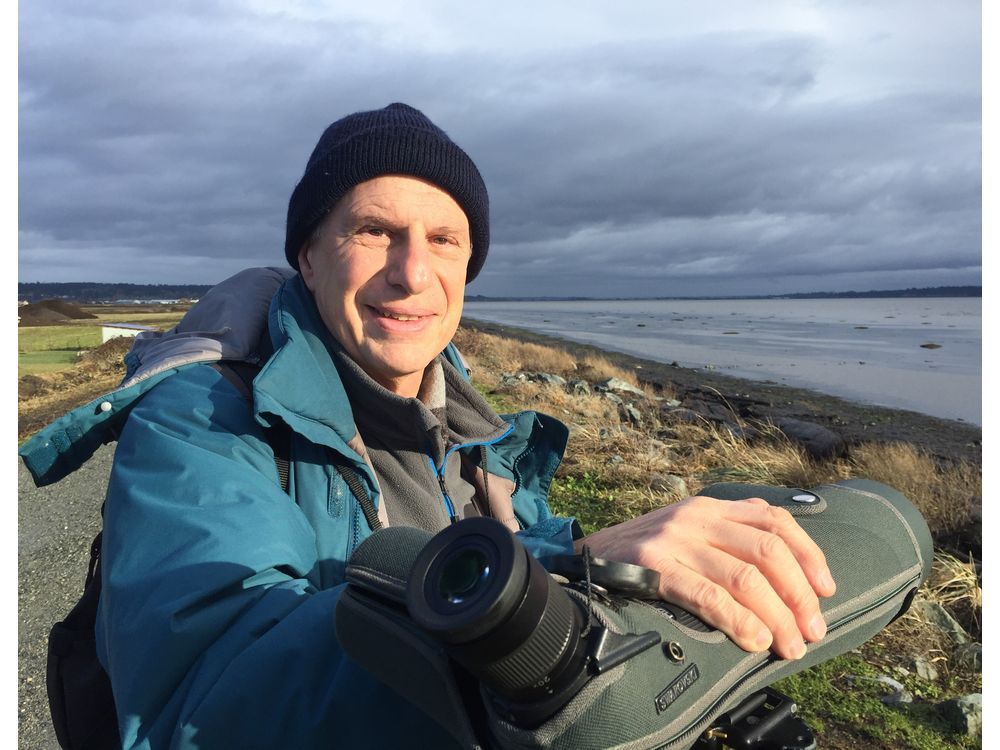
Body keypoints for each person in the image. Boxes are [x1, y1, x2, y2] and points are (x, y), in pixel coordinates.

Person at [90, 103, 835, 748]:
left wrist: (588, 555)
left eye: (444, 240)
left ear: (469, 264)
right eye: (376, 231)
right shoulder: (201, 418)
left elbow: (515, 550)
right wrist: (563, 577)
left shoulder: (469, 426)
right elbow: (207, 703)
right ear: (309, 259)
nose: (413, 272)